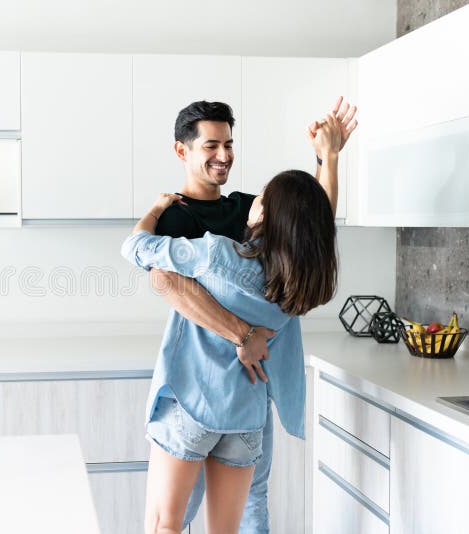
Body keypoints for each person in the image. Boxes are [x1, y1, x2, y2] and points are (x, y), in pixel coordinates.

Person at [146, 99, 357, 533]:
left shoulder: (248, 207)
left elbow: (310, 231)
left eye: (228, 144)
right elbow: (166, 283)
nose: (223, 155)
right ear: (181, 151)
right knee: (184, 518)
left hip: (246, 392)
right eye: (211, 145)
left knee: (240, 510)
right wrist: (245, 335)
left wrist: (327, 159)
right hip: (214, 384)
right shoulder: (175, 216)